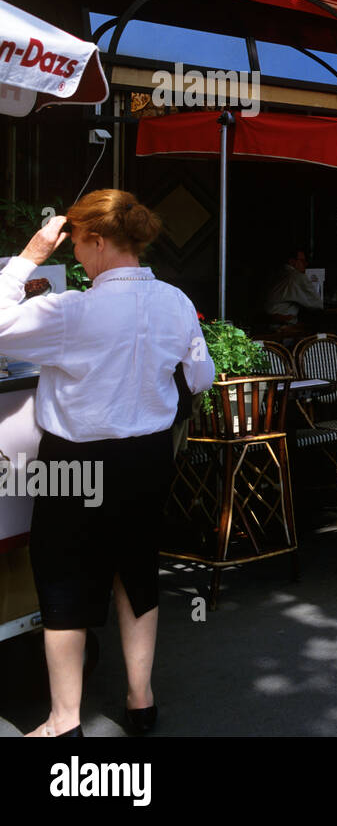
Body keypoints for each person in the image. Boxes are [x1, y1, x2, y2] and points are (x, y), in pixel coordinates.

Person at [0, 192, 215, 737]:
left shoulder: (73, 310)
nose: (74, 255)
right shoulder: (174, 300)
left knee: (65, 576)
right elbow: (200, 378)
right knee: (136, 571)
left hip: (75, 461)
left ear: (98, 239)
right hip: (147, 457)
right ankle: (141, 702)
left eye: (76, 243)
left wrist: (27, 257)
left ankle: (64, 720)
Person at [264, 247, 322, 325]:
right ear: (292, 262)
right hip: (283, 327)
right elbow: (317, 304)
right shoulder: (297, 277)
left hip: (268, 322)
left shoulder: (278, 274)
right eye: (302, 261)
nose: (306, 264)